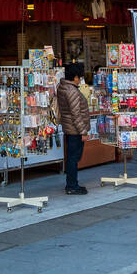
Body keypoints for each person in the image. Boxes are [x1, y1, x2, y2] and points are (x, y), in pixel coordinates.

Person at [56, 62, 91, 195]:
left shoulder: (63, 87)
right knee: (73, 158)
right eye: (80, 77)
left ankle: (72, 184)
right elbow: (76, 114)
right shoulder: (72, 91)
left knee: (72, 157)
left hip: (69, 127)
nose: (81, 79)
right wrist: (83, 131)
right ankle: (72, 186)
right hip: (75, 129)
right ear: (75, 77)